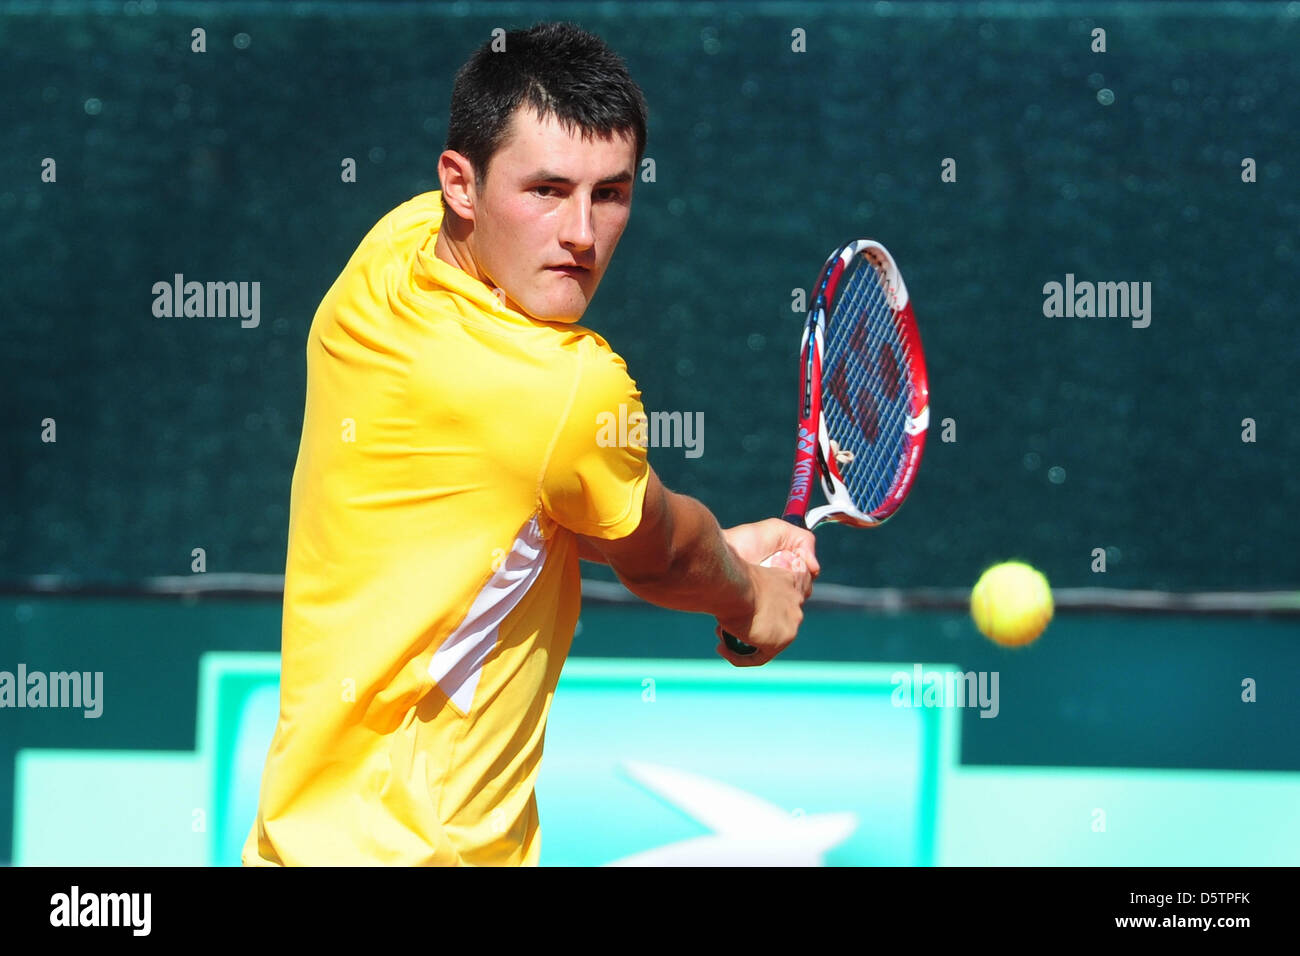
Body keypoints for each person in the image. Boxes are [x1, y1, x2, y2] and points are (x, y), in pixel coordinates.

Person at [243, 21, 818, 867]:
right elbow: (656, 551)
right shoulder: (565, 388)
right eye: (546, 190)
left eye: (611, 193)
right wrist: (747, 601)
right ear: (460, 184)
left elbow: (530, 509)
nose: (582, 233)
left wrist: (724, 557)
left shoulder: (391, 253)